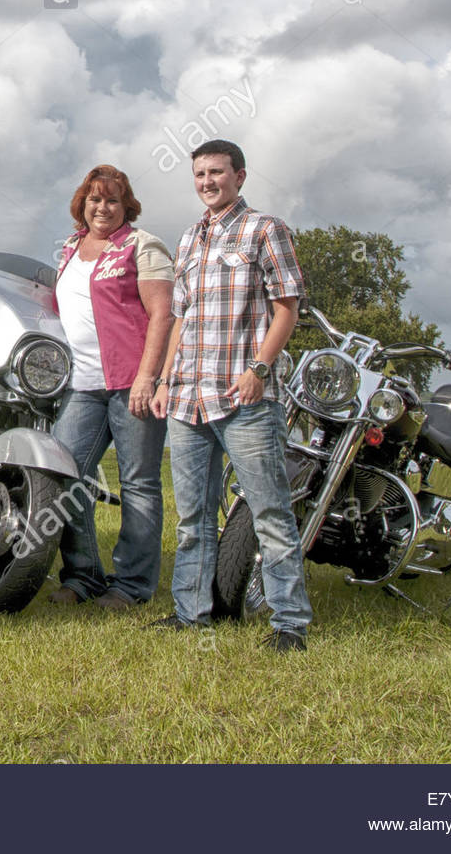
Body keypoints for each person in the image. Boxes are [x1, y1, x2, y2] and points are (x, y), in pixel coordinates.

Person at [150, 139, 311, 651]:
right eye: (199, 174)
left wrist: (259, 368)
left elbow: (287, 305)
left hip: (243, 399)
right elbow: (180, 317)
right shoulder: (189, 238)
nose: (207, 182)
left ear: (239, 176)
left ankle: (289, 623)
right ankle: (190, 613)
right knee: (192, 517)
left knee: (269, 513)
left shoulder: (265, 229)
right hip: (186, 399)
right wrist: (163, 380)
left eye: (216, 172)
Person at [47, 165, 174, 610]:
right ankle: (83, 576)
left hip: (130, 384)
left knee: (138, 483)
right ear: (82, 203)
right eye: (95, 199)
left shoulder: (142, 245)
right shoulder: (68, 249)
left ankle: (132, 585)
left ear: (127, 207)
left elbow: (163, 314)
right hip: (80, 385)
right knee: (63, 478)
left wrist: (147, 376)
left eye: (113, 200)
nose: (103, 208)